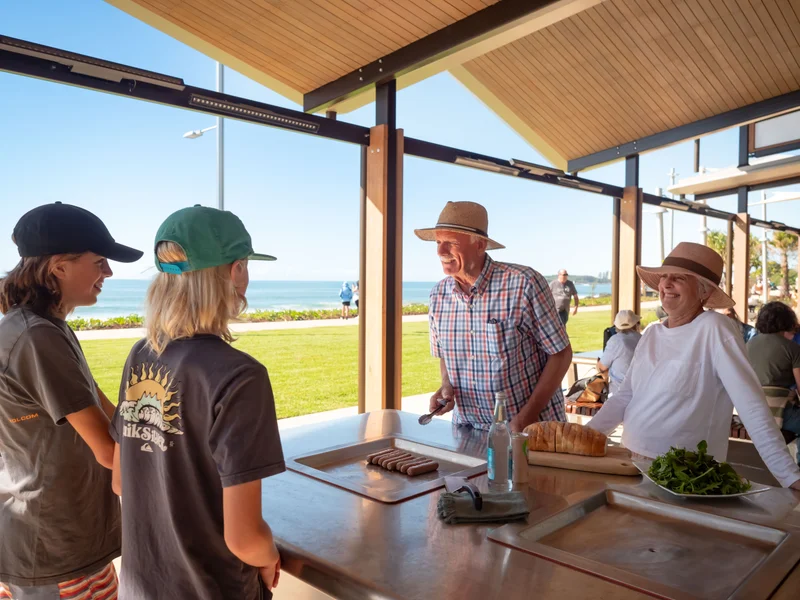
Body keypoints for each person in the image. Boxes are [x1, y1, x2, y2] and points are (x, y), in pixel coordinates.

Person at [110, 206, 285, 598]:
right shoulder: (240, 375)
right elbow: (245, 538)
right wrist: (268, 553)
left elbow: (121, 480)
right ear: (235, 271)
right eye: (243, 266)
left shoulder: (141, 355)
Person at [0, 202, 143, 598]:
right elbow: (109, 450)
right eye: (100, 262)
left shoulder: (49, 328)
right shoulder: (36, 337)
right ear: (59, 266)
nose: (109, 273)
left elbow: (111, 417)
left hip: (72, 542)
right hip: (51, 551)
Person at [587, 242, 800, 490]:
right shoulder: (652, 333)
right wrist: (586, 436)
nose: (665, 284)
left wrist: (790, 477)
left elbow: (751, 407)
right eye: (664, 276)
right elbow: (625, 396)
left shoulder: (715, 329)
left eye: (678, 278)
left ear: (704, 291)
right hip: (630, 460)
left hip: (688, 473)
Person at [416, 201, 572, 433]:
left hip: (531, 431)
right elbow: (444, 355)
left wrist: (524, 419)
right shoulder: (438, 295)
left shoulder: (524, 283)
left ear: (480, 245)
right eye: (438, 242)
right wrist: (447, 387)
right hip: (467, 429)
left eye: (451, 243)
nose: (440, 252)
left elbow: (560, 354)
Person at [746, 301, 800, 461]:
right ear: (788, 323)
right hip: (778, 411)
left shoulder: (748, 344)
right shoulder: (793, 348)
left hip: (750, 411)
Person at [597, 310, 641, 396]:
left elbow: (602, 367)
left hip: (619, 393)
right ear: (635, 324)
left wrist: (598, 365)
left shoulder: (616, 341)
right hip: (640, 392)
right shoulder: (642, 338)